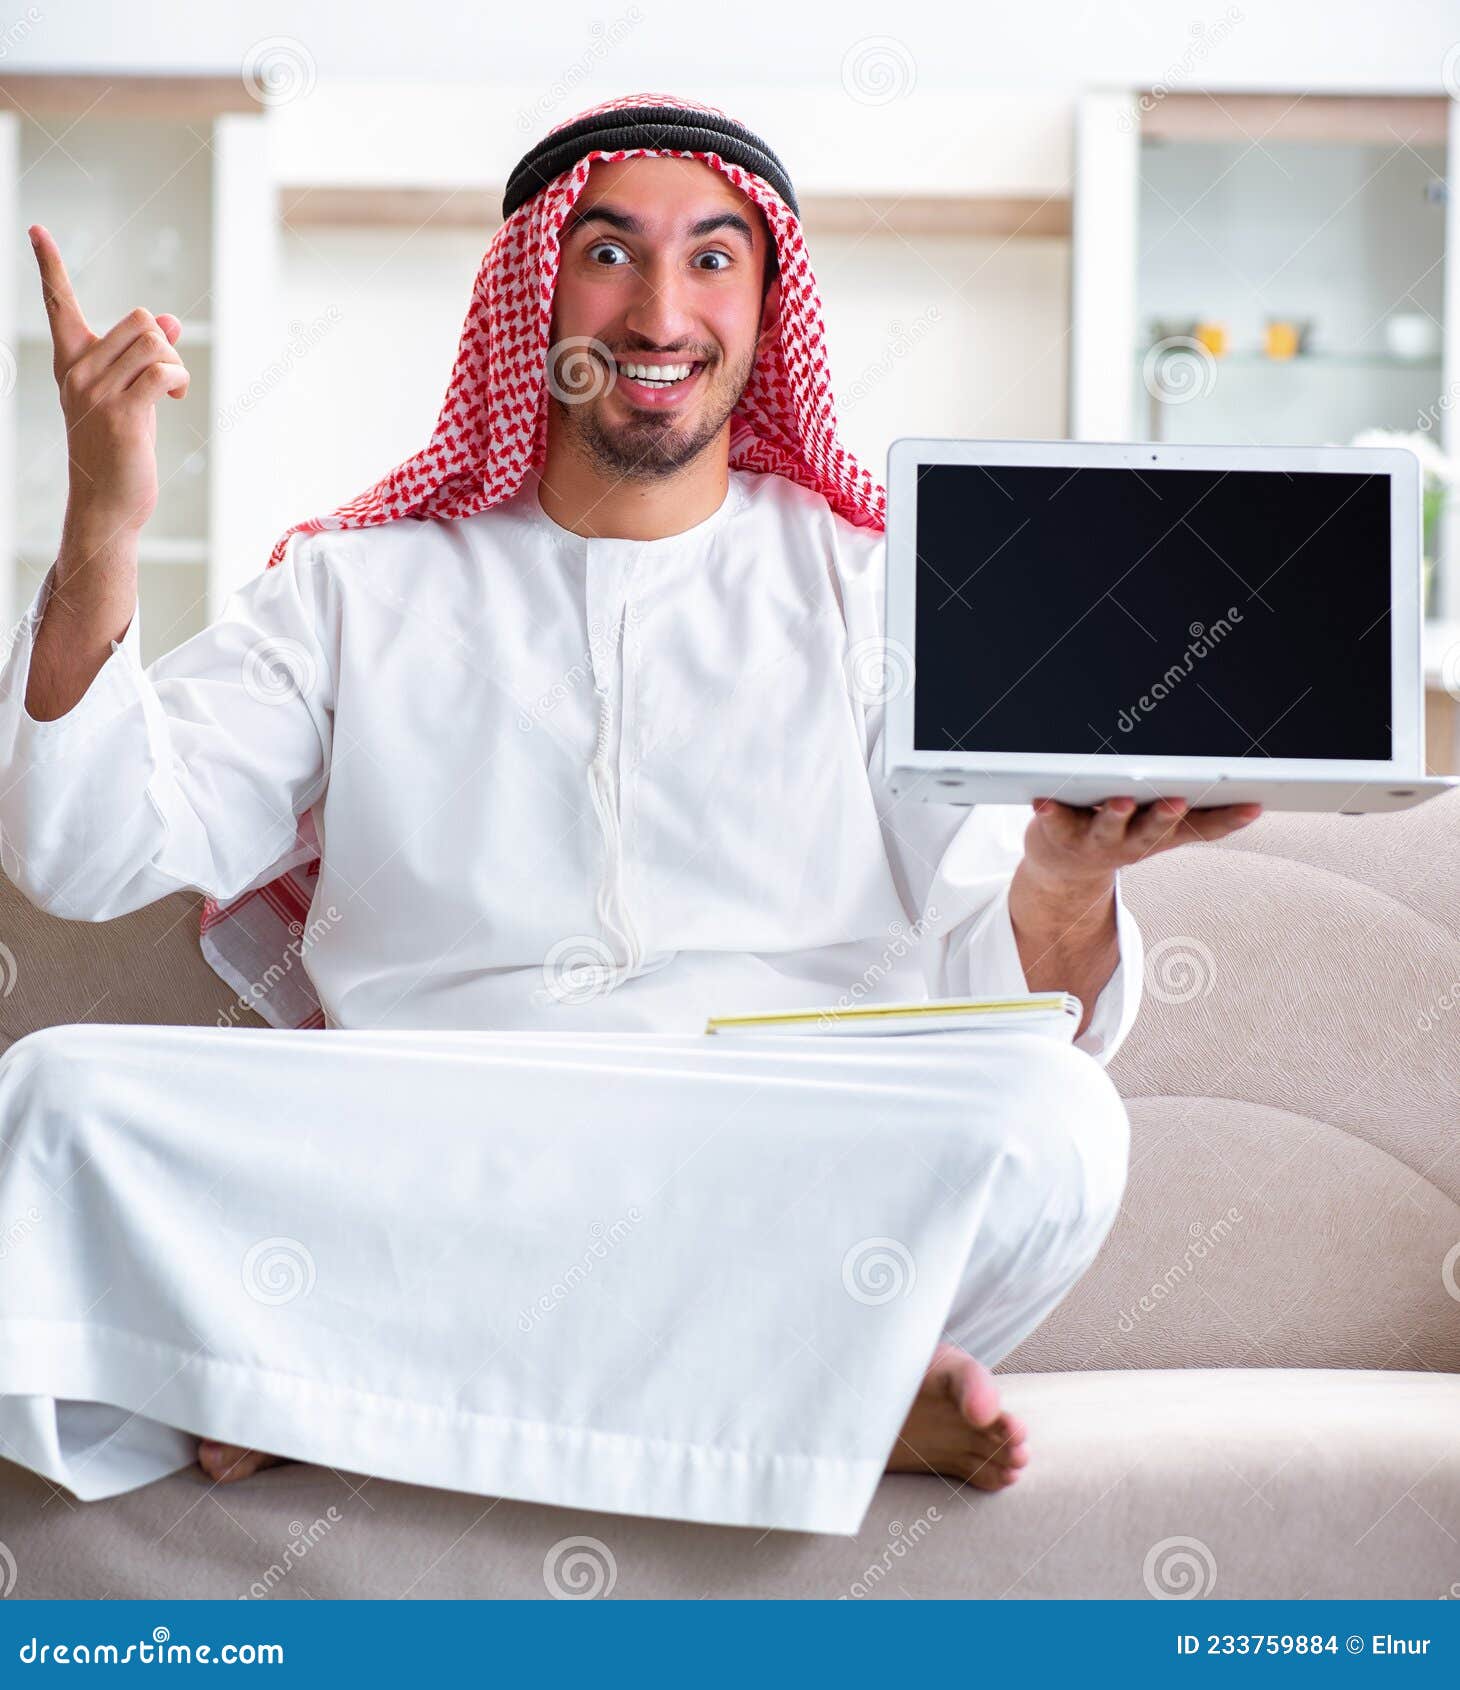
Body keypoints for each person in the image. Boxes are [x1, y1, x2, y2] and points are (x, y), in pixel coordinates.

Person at [0, 95, 1259, 1533]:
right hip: (443, 1142)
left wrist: (1064, 871)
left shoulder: (880, 595)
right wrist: (102, 515)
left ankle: (350, 1379)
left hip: (764, 1151)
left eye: (714, 259)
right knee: (59, 1098)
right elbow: (84, 848)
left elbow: (1007, 986)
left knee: (1055, 1118)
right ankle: (811, 1395)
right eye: (611, 252)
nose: (663, 309)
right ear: (534, 296)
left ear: (767, 307)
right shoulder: (360, 588)